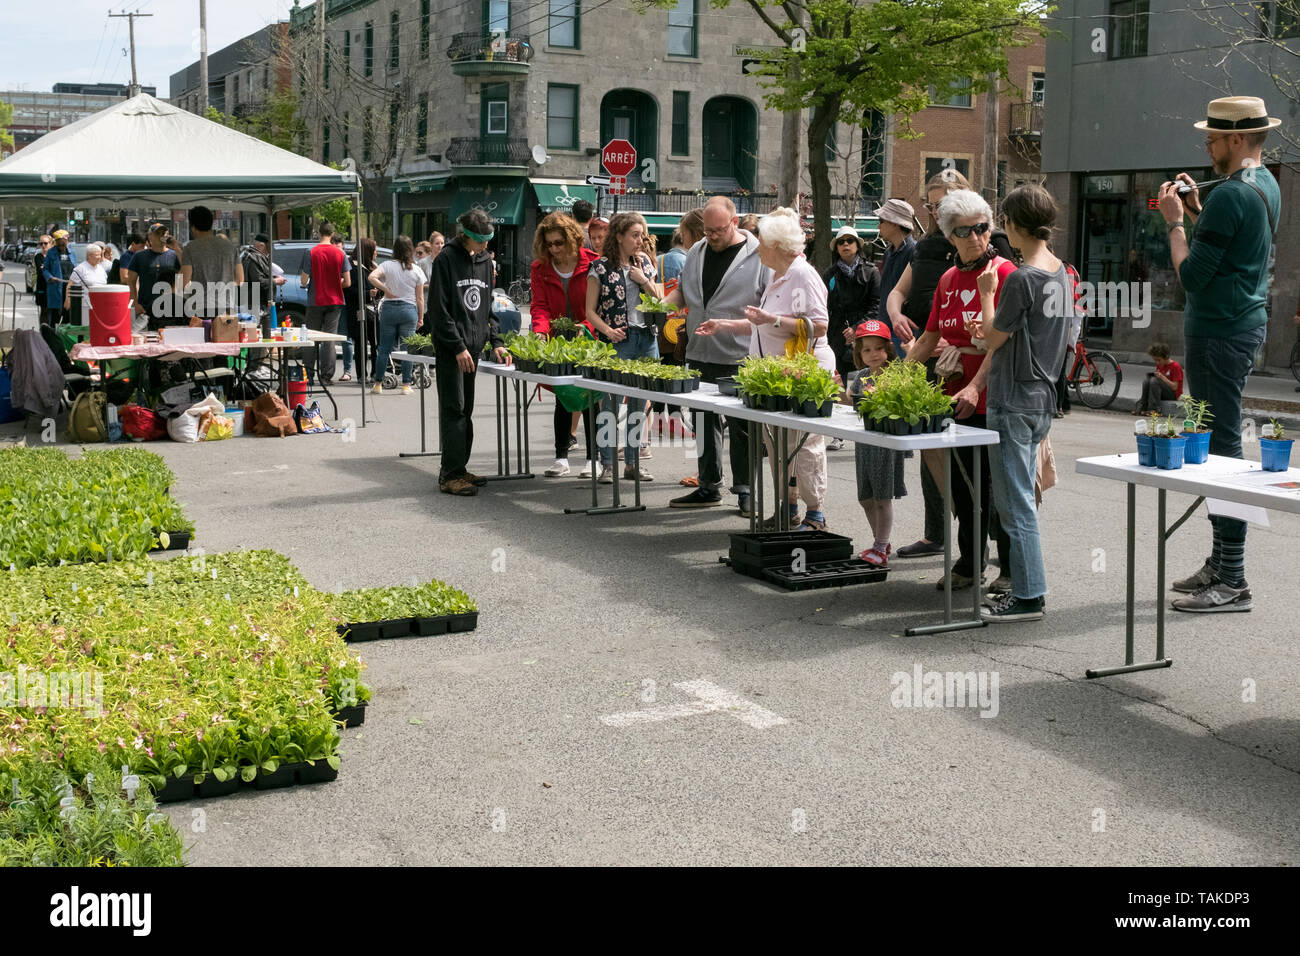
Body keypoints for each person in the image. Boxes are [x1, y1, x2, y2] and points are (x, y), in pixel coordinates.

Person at [1158, 95, 1281, 613]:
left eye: (1211, 137)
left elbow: (1192, 275)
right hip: (1242, 324)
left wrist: (1174, 222)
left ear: (1236, 139)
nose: (1206, 146)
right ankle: (1221, 563)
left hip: (1218, 332)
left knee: (1219, 448)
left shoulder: (1232, 194)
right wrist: (1198, 213)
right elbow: (1230, 248)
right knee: (1216, 441)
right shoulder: (1265, 183)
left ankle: (1232, 578)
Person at [905, 189, 1018, 591]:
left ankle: (1010, 569)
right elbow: (928, 336)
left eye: (982, 228)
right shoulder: (949, 279)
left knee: (1000, 488)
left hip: (994, 396)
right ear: (950, 235)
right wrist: (892, 382)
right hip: (952, 395)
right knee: (965, 485)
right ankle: (970, 563)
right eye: (965, 231)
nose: (975, 237)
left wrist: (974, 386)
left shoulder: (1004, 274)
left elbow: (1001, 342)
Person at [695, 207, 833, 530]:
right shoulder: (776, 276)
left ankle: (815, 513)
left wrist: (771, 319)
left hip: (803, 373)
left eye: (762, 243)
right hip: (777, 375)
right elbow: (761, 326)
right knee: (779, 445)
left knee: (804, 445)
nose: (757, 248)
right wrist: (723, 325)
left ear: (777, 246)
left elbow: (820, 326)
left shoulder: (802, 274)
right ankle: (789, 508)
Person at [975, 183, 1071, 622]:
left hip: (1013, 396)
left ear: (1014, 225)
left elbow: (994, 337)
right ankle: (1029, 591)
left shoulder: (1022, 277)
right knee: (1021, 499)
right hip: (1042, 396)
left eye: (1005, 223)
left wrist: (988, 292)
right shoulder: (1062, 274)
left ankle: (1029, 595)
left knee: (1015, 504)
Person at [887, 170, 974, 559]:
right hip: (922, 350)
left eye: (940, 203)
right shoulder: (925, 245)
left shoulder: (976, 245)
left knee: (961, 453)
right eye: (931, 204)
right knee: (928, 447)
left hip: (957, 361)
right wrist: (895, 313)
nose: (935, 210)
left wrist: (948, 340)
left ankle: (978, 537)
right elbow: (898, 291)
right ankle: (935, 532)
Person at [665, 196, 767, 514]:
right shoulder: (697, 251)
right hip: (699, 349)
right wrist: (663, 304)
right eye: (707, 231)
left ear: (734, 223)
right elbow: (683, 291)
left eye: (718, 230)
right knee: (703, 420)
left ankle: (746, 490)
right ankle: (709, 485)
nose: (712, 237)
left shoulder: (758, 255)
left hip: (739, 352)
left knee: (741, 425)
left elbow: (766, 307)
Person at [429, 208, 511, 496]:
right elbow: (438, 311)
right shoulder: (445, 260)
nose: (486, 246)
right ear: (466, 236)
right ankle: (449, 475)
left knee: (466, 411)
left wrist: (497, 341)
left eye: (489, 240)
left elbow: (489, 307)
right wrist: (458, 346)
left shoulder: (486, 262)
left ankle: (460, 467)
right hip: (453, 350)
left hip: (473, 349)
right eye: (481, 241)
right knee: (454, 410)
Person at [585, 211, 660, 483]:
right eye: (635, 235)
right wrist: (606, 330)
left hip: (647, 338)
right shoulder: (600, 268)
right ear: (619, 237)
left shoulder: (645, 265)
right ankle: (607, 464)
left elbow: (660, 298)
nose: (640, 240)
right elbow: (589, 311)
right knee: (611, 404)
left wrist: (643, 279)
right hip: (618, 340)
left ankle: (632, 462)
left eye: (641, 234)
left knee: (639, 405)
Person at [529, 212, 600, 478]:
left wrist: (587, 327)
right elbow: (540, 306)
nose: (554, 249)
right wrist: (540, 333)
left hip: (589, 337)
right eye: (549, 244)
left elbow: (600, 306)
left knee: (590, 397)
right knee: (562, 396)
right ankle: (561, 457)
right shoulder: (541, 268)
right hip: (558, 341)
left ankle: (594, 459)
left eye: (559, 243)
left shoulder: (593, 263)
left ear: (572, 239)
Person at [846, 320, 908, 565]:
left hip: (886, 444)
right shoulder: (862, 376)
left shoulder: (896, 373)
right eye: (867, 349)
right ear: (859, 353)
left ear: (888, 350)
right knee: (866, 497)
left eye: (878, 348)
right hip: (865, 442)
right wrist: (836, 391)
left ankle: (881, 547)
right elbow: (852, 403)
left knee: (883, 497)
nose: (873, 354)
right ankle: (878, 542)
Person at [822, 224, 881, 389]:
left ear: (857, 245)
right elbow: (823, 307)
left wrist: (857, 328)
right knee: (838, 389)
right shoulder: (829, 274)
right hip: (836, 339)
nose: (845, 245)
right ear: (837, 248)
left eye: (850, 241)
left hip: (865, 340)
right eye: (841, 242)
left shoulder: (871, 272)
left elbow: (876, 307)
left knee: (862, 389)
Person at [369, 235, 425, 396]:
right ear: (411, 250)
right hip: (409, 310)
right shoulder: (416, 270)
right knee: (408, 349)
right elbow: (420, 298)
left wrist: (385, 289)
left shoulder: (387, 265)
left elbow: (371, 277)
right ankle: (406, 384)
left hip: (389, 309)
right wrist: (420, 317)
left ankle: (378, 383)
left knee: (384, 349)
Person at [299, 222, 351, 384]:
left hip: (315, 300)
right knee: (329, 338)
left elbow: (304, 279)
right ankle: (326, 375)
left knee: (311, 337)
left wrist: (311, 282)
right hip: (335, 300)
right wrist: (336, 284)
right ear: (332, 233)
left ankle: (308, 374)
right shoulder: (340, 253)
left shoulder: (311, 252)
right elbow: (347, 282)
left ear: (319, 233)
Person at [873, 198, 918, 354]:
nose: (879, 225)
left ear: (894, 223)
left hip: (904, 332)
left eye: (882, 220)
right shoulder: (888, 252)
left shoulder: (914, 252)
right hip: (885, 328)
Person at [181, 205, 243, 318]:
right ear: (211, 224)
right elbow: (240, 280)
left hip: (201, 307)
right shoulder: (229, 246)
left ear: (192, 227)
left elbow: (184, 283)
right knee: (225, 336)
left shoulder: (190, 248)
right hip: (227, 307)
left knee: (203, 335)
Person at [123, 223, 181, 330]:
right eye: (158, 233)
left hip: (169, 308)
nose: (161, 236)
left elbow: (185, 274)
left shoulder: (174, 255)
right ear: (150, 237)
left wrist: (176, 248)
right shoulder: (139, 256)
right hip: (146, 308)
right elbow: (130, 281)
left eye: (164, 233)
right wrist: (135, 303)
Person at [348, 237, 379, 382]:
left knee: (375, 342)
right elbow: (349, 291)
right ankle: (361, 375)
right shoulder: (353, 267)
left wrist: (379, 291)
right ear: (367, 251)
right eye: (374, 250)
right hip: (358, 310)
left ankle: (375, 372)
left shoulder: (374, 267)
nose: (376, 253)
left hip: (374, 310)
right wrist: (368, 293)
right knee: (361, 343)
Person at [1133, 341, 1184, 414]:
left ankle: (1155, 409)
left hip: (1173, 395)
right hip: (1161, 391)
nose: (1157, 363)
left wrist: (1162, 377)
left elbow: (1175, 387)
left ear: (1166, 357)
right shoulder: (1160, 365)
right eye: (1155, 360)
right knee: (1147, 381)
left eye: (1159, 360)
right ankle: (1142, 406)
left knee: (1154, 381)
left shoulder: (1175, 366)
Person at [64, 242, 108, 323]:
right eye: (97, 255)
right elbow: (70, 285)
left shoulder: (101, 269)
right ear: (89, 256)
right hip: (85, 306)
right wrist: (68, 300)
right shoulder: (80, 269)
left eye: (100, 254)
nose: (100, 257)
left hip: (100, 305)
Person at [42, 230, 77, 324]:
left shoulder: (72, 253)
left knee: (68, 313)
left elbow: (76, 269)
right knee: (55, 315)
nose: (61, 246)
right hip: (56, 286)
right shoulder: (51, 253)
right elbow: (45, 269)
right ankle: (53, 334)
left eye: (63, 243)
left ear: (67, 241)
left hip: (69, 287)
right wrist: (50, 277)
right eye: (59, 243)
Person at [33, 235, 52, 324]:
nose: (43, 245)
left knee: (53, 311)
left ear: (51, 243)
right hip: (42, 287)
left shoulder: (53, 256)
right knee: (44, 311)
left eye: (45, 243)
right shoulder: (38, 257)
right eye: (41, 243)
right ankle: (43, 331)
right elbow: (41, 271)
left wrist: (45, 267)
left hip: (53, 287)